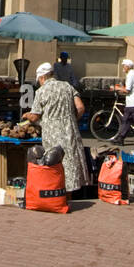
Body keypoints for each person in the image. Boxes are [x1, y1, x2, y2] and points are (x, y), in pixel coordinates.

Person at [25, 62, 89, 192]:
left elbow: (35, 116)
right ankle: (69, 194)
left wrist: (27, 115)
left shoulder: (41, 91)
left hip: (52, 133)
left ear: (42, 77)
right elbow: (81, 107)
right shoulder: (67, 86)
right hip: (70, 131)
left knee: (55, 162)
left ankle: (57, 195)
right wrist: (71, 120)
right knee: (70, 161)